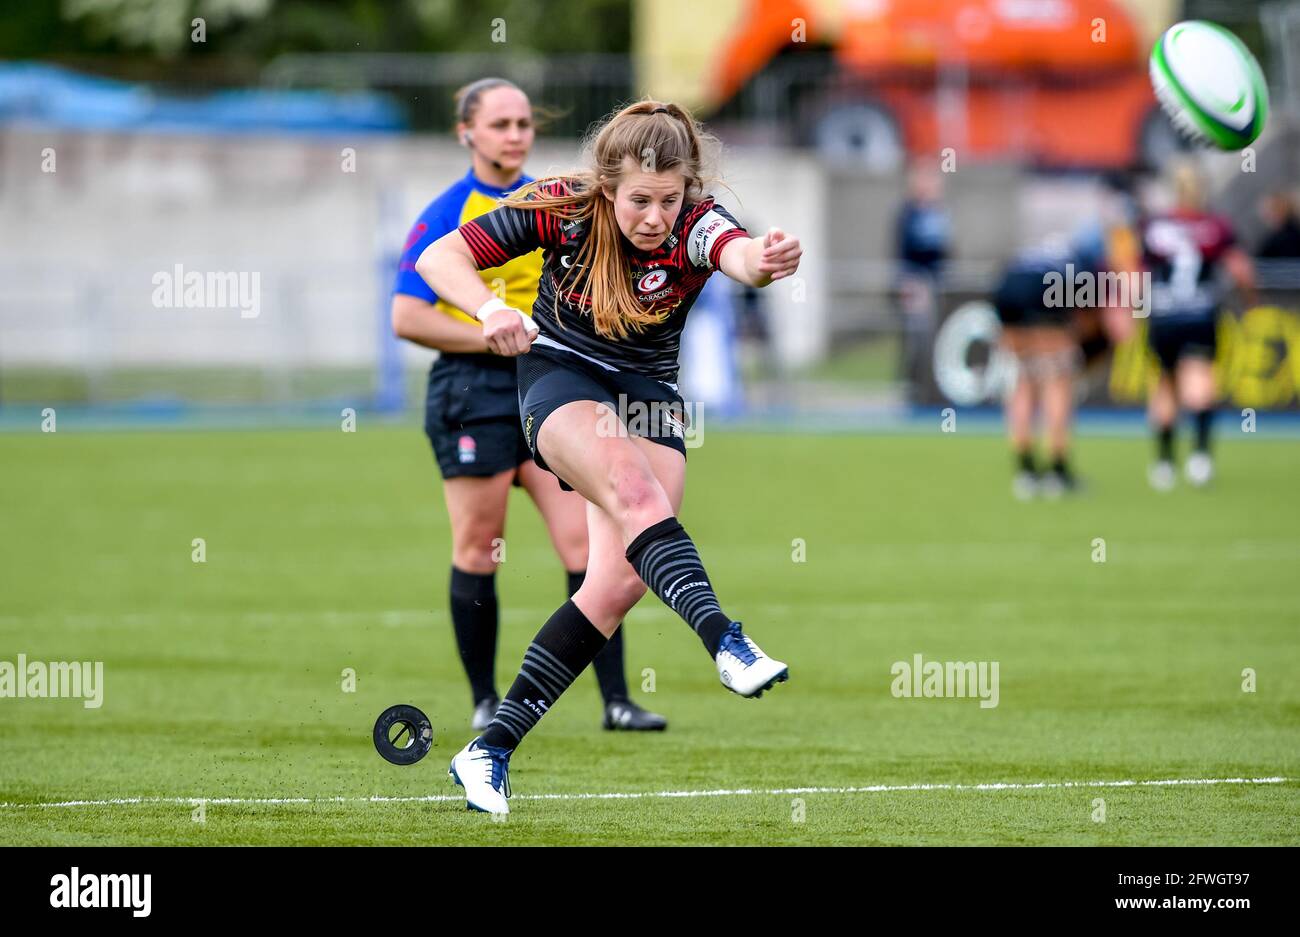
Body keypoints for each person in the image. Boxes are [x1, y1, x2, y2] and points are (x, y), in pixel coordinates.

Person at [416, 99, 802, 813]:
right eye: (638, 201)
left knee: (616, 585)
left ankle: (488, 749)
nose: (654, 216)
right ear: (608, 187)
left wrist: (764, 261)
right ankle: (727, 640)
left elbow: (738, 257)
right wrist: (492, 310)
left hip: (650, 391)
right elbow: (440, 256)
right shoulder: (566, 206)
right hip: (561, 374)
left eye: (668, 199)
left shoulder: (696, 220)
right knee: (636, 493)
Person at [391, 78, 666, 734]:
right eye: (500, 124)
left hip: (547, 390)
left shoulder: (553, 202)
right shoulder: (448, 210)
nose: (515, 135)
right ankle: (486, 698)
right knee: (481, 548)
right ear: (468, 133)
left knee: (587, 543)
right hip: (472, 393)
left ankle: (616, 700)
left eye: (523, 123)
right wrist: (490, 329)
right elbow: (406, 316)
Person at [1136, 164, 1255, 489]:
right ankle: (1200, 459)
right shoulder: (1215, 225)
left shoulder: (1155, 225)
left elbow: (1136, 274)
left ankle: (1164, 463)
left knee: (1165, 384)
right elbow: (1242, 270)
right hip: (1200, 313)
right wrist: (1250, 301)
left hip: (1164, 315)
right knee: (1200, 381)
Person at [992, 240, 1086, 499]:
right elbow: (1084, 315)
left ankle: (1026, 472)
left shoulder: (1025, 257)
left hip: (1008, 292)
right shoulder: (1077, 262)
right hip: (1047, 293)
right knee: (1056, 382)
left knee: (1022, 383)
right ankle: (1057, 471)